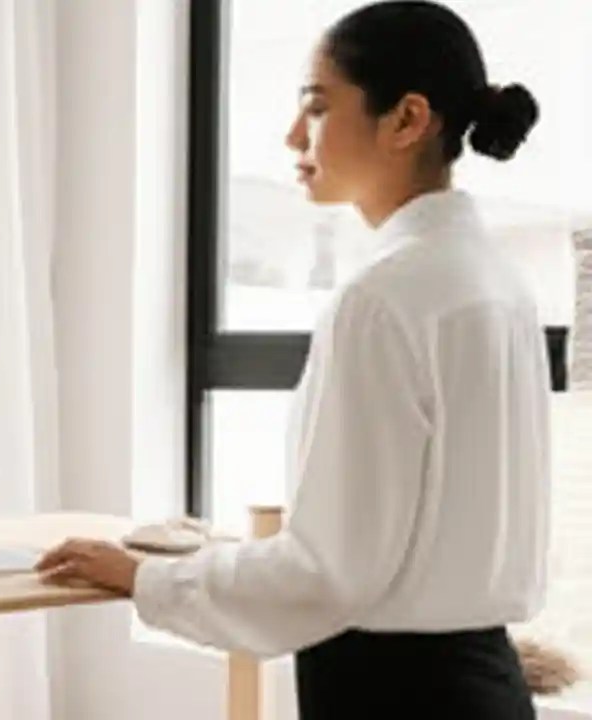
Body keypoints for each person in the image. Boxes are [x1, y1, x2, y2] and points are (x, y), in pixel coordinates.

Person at [35, 2, 549, 717]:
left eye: (316, 107)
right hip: (487, 685)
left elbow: (327, 575)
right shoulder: (499, 284)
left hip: (391, 696)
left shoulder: (381, 297)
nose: (290, 136)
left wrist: (143, 580)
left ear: (406, 120)